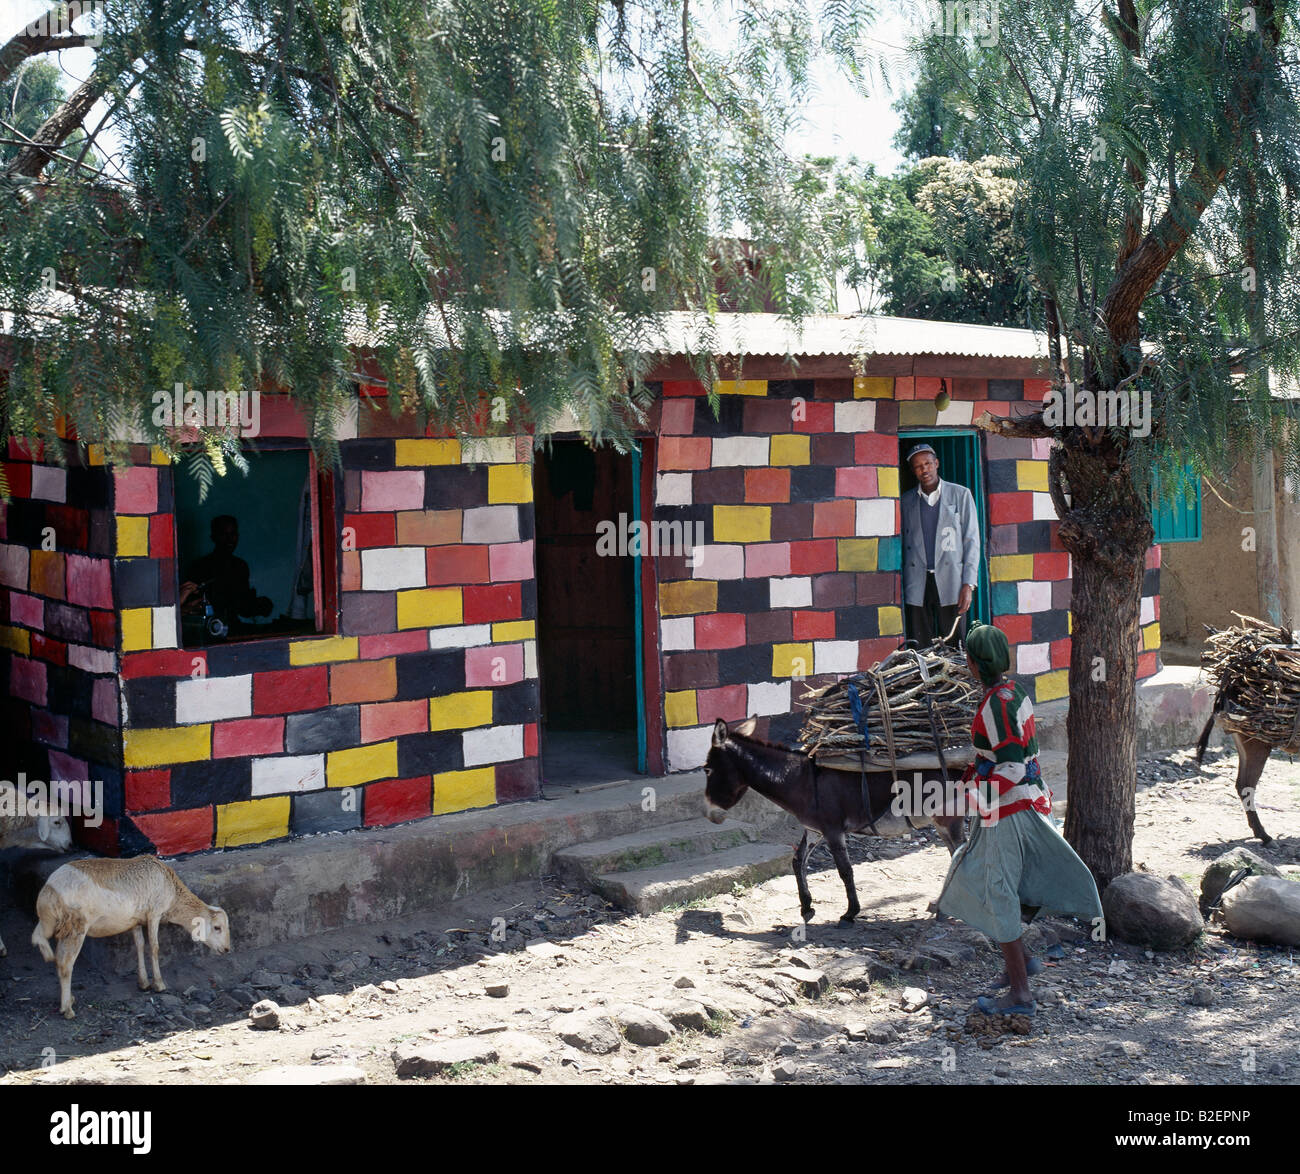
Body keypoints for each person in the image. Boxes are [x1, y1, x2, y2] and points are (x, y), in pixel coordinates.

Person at [934, 621, 1102, 1015]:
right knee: (990, 882)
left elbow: (1009, 769)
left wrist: (963, 803)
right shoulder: (1015, 692)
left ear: (974, 665)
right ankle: (1021, 964)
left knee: (999, 892)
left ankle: (1021, 994)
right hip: (1024, 801)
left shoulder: (996, 705)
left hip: (1008, 810)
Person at [900, 443, 980, 645]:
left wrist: (968, 584)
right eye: (918, 466)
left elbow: (971, 540)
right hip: (917, 582)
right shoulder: (906, 501)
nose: (924, 469)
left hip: (951, 580)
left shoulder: (961, 494)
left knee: (955, 642)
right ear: (913, 471)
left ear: (936, 463)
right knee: (919, 645)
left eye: (927, 463)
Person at [180, 515, 273, 632]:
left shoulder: (240, 566)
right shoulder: (199, 567)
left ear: (238, 536)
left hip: (233, 628)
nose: (229, 539)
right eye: (223, 534)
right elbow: (191, 609)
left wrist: (259, 605)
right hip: (208, 630)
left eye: (233, 534)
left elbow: (243, 609)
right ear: (213, 537)